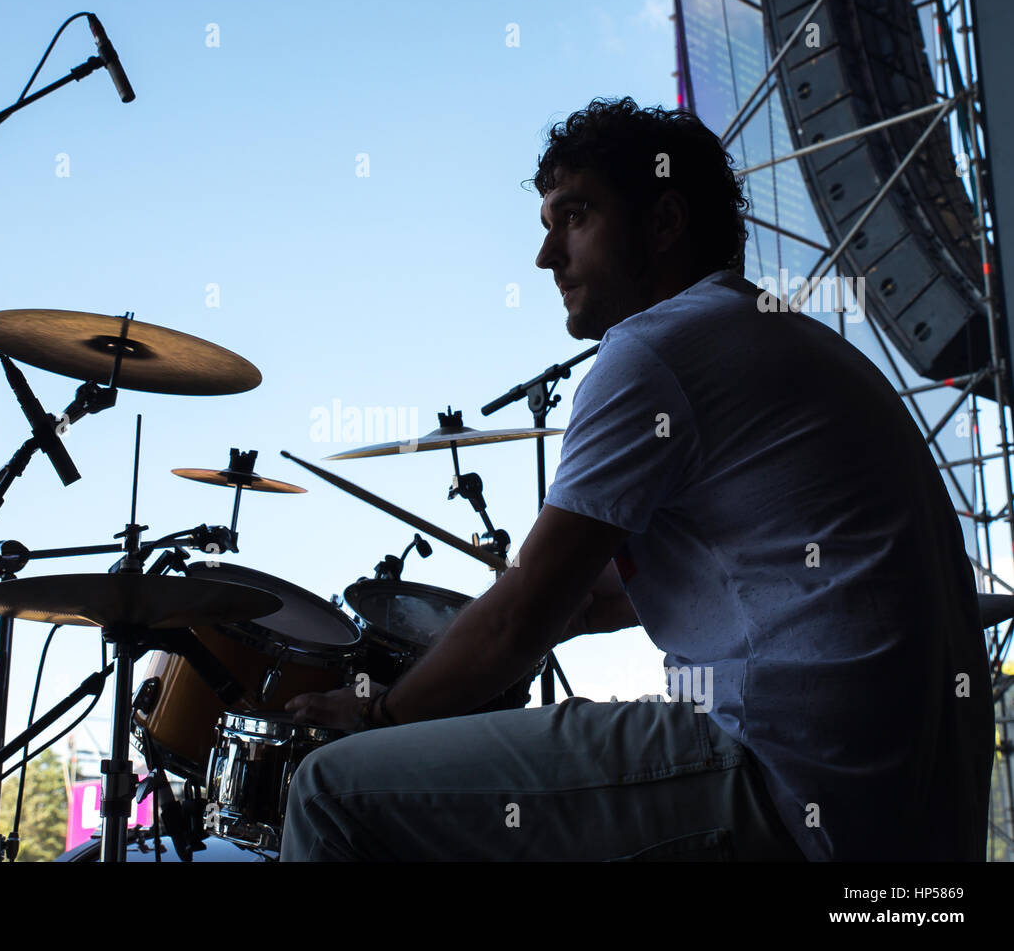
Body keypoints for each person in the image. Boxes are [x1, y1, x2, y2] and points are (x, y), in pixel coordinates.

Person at [281, 97, 994, 861]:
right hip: (907, 814)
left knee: (331, 791)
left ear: (663, 223)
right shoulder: (789, 341)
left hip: (788, 776)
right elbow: (599, 595)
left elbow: (521, 616)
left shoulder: (656, 350)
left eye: (574, 216)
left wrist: (383, 711)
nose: (546, 256)